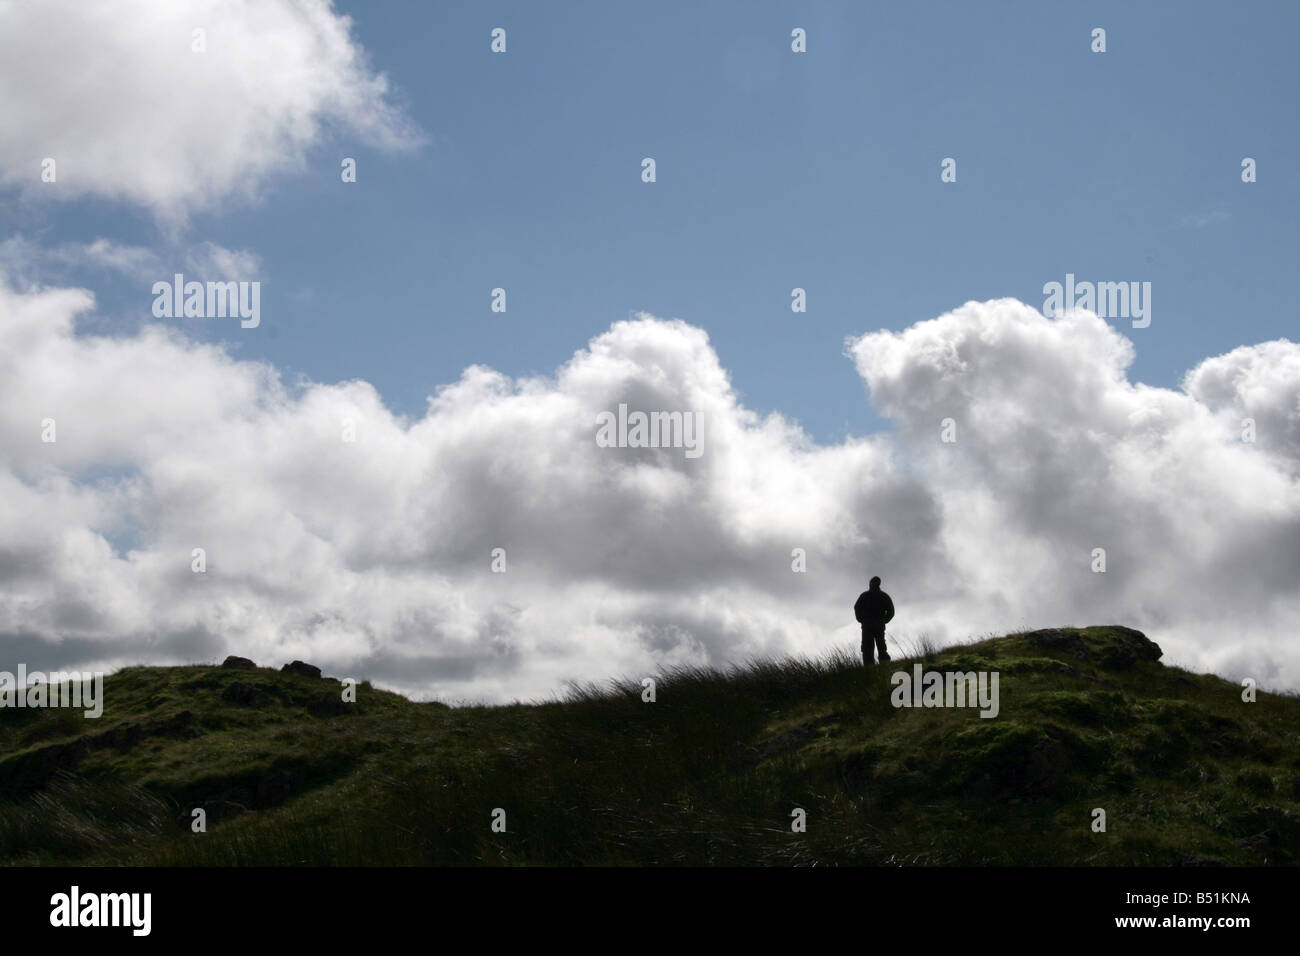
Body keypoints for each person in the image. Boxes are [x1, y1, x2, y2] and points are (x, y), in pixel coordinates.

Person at [853, 576, 894, 666]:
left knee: (871, 647)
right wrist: (884, 620)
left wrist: (860, 619)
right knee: (880, 646)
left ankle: (871, 666)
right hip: (875, 625)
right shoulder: (883, 596)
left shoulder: (865, 595)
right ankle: (883, 664)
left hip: (869, 625)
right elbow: (891, 611)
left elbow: (856, 607)